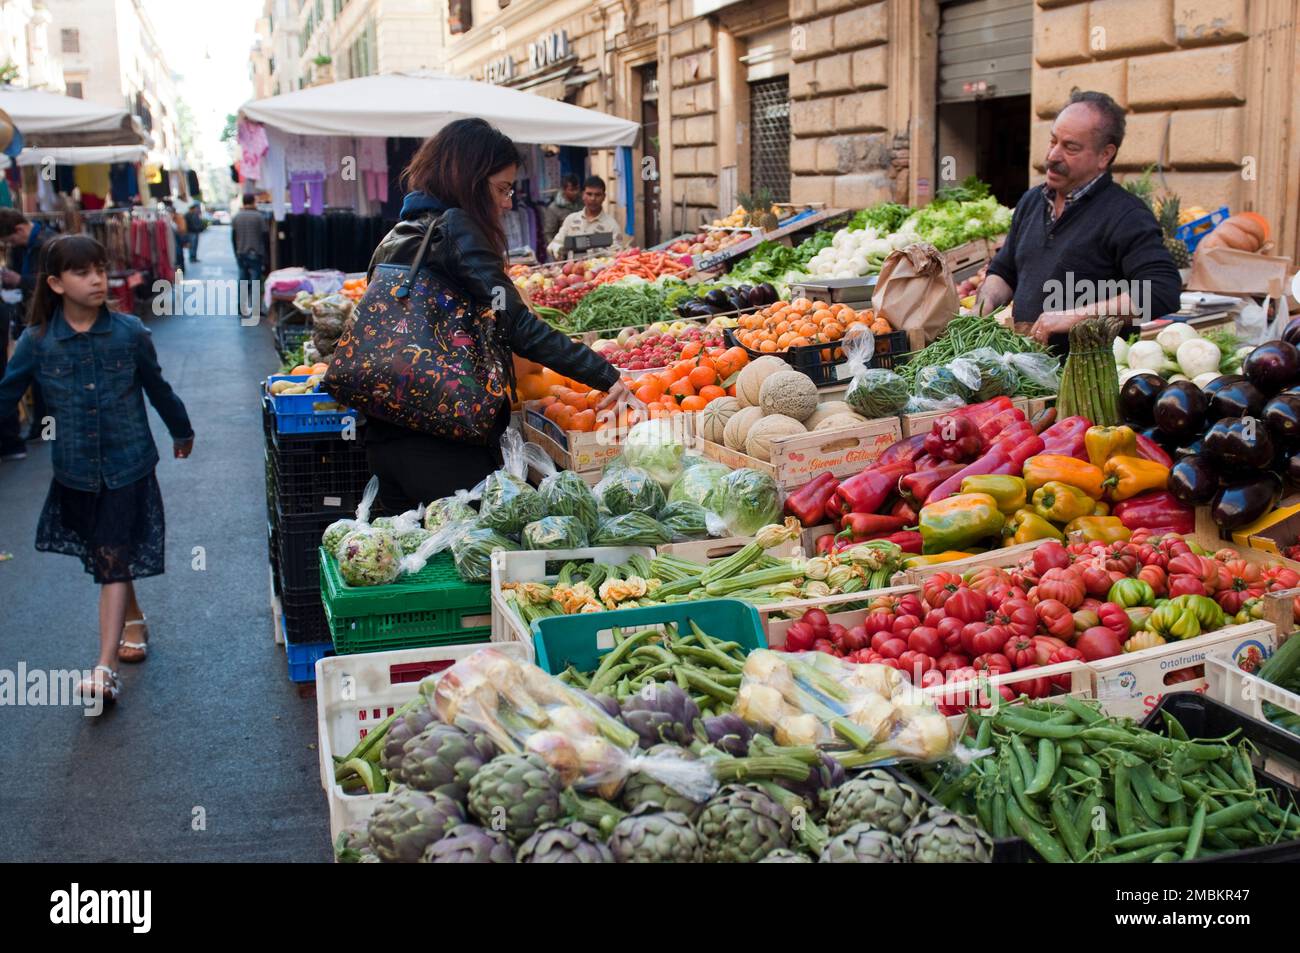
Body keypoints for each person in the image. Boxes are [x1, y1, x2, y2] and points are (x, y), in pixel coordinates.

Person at [364, 118, 630, 514]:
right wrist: (603, 373)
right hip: (444, 436)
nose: (508, 203)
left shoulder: (400, 233)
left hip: (388, 431)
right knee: (473, 555)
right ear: (469, 180)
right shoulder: (455, 227)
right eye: (502, 189)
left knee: (420, 554)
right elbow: (516, 323)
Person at [0, 235, 194, 705]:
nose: (96, 280)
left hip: (129, 466)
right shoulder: (38, 342)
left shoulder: (129, 333)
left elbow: (158, 389)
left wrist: (181, 431)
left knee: (110, 559)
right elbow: (7, 395)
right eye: (83, 272)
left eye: (100, 270)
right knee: (110, 556)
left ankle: (104, 668)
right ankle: (134, 620)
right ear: (56, 283)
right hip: (76, 472)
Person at [976, 90, 1181, 348]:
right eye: (1053, 142)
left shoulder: (1126, 215)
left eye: (1070, 147)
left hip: (1089, 377)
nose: (1053, 156)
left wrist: (1074, 316)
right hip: (1029, 369)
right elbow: (1005, 271)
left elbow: (1162, 291)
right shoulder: (1032, 202)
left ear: (1104, 155)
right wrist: (984, 305)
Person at [1, 208, 52, 455]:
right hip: (26, 315)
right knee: (32, 372)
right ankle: (39, 426)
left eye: (10, 240)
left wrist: (18, 281)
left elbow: (51, 282)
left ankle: (43, 425)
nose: (9, 245)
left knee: (40, 373)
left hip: (43, 316)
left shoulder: (47, 244)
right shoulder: (20, 248)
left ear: (20, 229)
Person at [546, 175, 631, 260]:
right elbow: (554, 244)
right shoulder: (571, 220)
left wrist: (599, 252)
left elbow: (617, 255)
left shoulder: (611, 225)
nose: (593, 198)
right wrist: (559, 251)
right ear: (583, 195)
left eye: (597, 195)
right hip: (572, 271)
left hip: (601, 272)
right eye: (589, 194)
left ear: (604, 197)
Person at [231, 194, 267, 315]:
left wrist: (236, 252)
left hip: (241, 253)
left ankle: (241, 307)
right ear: (253, 202)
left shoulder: (236, 217)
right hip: (255, 253)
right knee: (256, 280)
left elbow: (233, 237)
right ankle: (256, 308)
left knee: (242, 280)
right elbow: (265, 236)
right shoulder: (259, 217)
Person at [542, 173, 583, 256]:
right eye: (572, 190)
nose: (576, 192)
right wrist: (555, 250)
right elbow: (548, 233)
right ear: (564, 190)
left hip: (582, 249)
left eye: (577, 189)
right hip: (563, 252)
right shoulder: (554, 208)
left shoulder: (582, 203)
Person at [163, 199, 186, 269]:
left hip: (178, 238)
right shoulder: (172, 219)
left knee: (179, 254)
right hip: (177, 238)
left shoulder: (178, 217)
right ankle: (180, 267)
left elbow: (181, 229)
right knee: (178, 254)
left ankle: (181, 268)